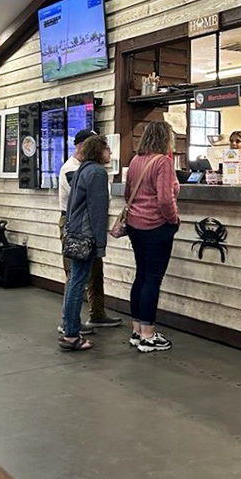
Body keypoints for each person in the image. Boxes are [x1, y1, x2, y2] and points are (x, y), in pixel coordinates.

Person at [58, 129, 121, 332]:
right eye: (106, 149)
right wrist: (99, 240)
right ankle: (69, 324)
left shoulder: (86, 169)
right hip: (80, 227)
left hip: (81, 226)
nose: (110, 153)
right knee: (75, 277)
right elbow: (94, 206)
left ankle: (96, 314)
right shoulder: (76, 169)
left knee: (94, 273)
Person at [125, 121, 180, 353]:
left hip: (135, 226)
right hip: (156, 227)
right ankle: (149, 336)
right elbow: (165, 200)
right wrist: (173, 219)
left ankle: (137, 330)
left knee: (141, 276)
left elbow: (128, 193)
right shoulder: (164, 162)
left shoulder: (136, 160)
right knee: (152, 279)